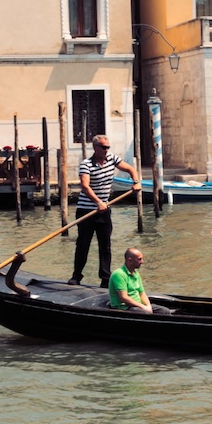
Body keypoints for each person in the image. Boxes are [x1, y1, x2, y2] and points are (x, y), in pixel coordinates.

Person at [69, 134, 141, 288]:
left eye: (108, 147)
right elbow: (85, 186)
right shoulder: (86, 165)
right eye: (103, 147)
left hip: (104, 210)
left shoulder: (112, 159)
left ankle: (105, 279)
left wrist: (136, 182)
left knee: (105, 245)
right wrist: (98, 202)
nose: (106, 150)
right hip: (86, 210)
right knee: (83, 244)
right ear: (95, 148)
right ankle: (76, 276)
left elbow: (130, 169)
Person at [108, 248, 156, 313]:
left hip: (137, 305)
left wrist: (148, 306)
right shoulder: (119, 274)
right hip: (124, 307)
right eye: (139, 259)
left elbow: (142, 293)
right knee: (144, 313)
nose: (142, 262)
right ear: (130, 260)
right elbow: (123, 298)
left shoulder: (136, 274)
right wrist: (142, 307)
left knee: (164, 311)